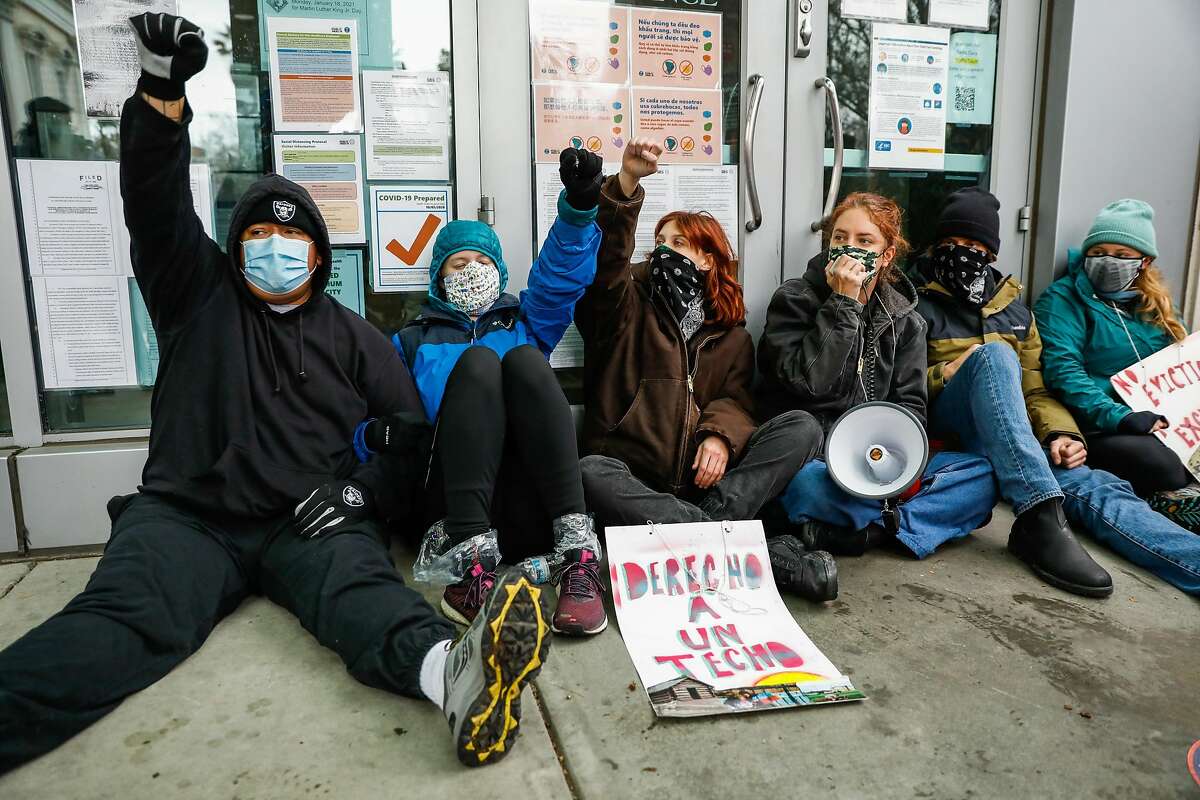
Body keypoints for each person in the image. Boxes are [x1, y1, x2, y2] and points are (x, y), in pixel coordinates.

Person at [0, 14, 553, 773]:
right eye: (257, 234)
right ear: (235, 249)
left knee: (366, 599)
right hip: (189, 517)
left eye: (292, 239)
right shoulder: (196, 294)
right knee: (121, 623)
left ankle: (452, 677)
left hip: (309, 518)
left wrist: (363, 494)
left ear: (319, 256)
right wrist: (161, 93)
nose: (274, 248)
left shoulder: (354, 334)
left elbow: (407, 432)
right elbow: (154, 204)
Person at [576, 138, 838, 603]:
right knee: (589, 471)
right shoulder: (625, 307)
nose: (664, 252)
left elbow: (737, 400)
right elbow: (609, 263)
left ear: (708, 259)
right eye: (659, 243)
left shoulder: (732, 335)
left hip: (708, 489)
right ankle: (739, 544)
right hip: (636, 484)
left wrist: (718, 435)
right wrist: (627, 185)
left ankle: (703, 527)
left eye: (679, 243)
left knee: (799, 426)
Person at [356, 150, 606, 634]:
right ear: (437, 279)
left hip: (524, 499)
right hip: (454, 505)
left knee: (527, 360)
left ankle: (577, 557)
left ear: (498, 270)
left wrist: (578, 208)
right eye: (456, 264)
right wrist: (374, 437)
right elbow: (369, 420)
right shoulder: (412, 341)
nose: (469, 270)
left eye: (479, 261)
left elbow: (558, 279)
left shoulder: (525, 320)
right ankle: (471, 574)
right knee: (477, 365)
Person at [915, 187, 1200, 597]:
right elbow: (898, 391)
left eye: (974, 245)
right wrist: (947, 372)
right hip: (957, 430)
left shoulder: (1014, 308)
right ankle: (1039, 516)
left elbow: (1037, 390)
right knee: (993, 358)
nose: (963, 253)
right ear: (934, 247)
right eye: (951, 244)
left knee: (1099, 488)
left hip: (1020, 445)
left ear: (991, 254)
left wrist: (1061, 435)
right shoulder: (911, 300)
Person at [757, 192, 997, 570]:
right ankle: (904, 521)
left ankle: (874, 530)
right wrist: (843, 304)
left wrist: (893, 470)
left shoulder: (907, 322)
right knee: (806, 485)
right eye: (840, 238)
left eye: (864, 241)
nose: (848, 248)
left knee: (982, 478)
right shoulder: (795, 300)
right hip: (819, 457)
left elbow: (911, 407)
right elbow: (809, 384)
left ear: (886, 255)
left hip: (878, 461)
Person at [1034, 199, 1192, 496]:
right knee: (1165, 467)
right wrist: (1119, 416)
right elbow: (1063, 372)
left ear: (1144, 262)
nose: (1108, 260)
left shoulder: (1156, 303)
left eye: (1121, 255)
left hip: (1160, 418)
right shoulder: (1061, 299)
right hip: (1098, 424)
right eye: (1098, 253)